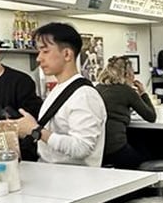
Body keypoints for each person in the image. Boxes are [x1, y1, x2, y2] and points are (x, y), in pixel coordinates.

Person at [16, 22, 106, 166]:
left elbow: (81, 148)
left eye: (45, 51)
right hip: (53, 175)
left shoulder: (84, 95)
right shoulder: (59, 89)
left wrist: (36, 130)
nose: (39, 58)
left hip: (76, 181)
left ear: (67, 54)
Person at [96, 56, 156, 168]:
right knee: (146, 157)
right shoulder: (127, 91)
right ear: (127, 74)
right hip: (116, 148)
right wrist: (143, 93)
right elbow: (151, 116)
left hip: (98, 151)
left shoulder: (97, 88)